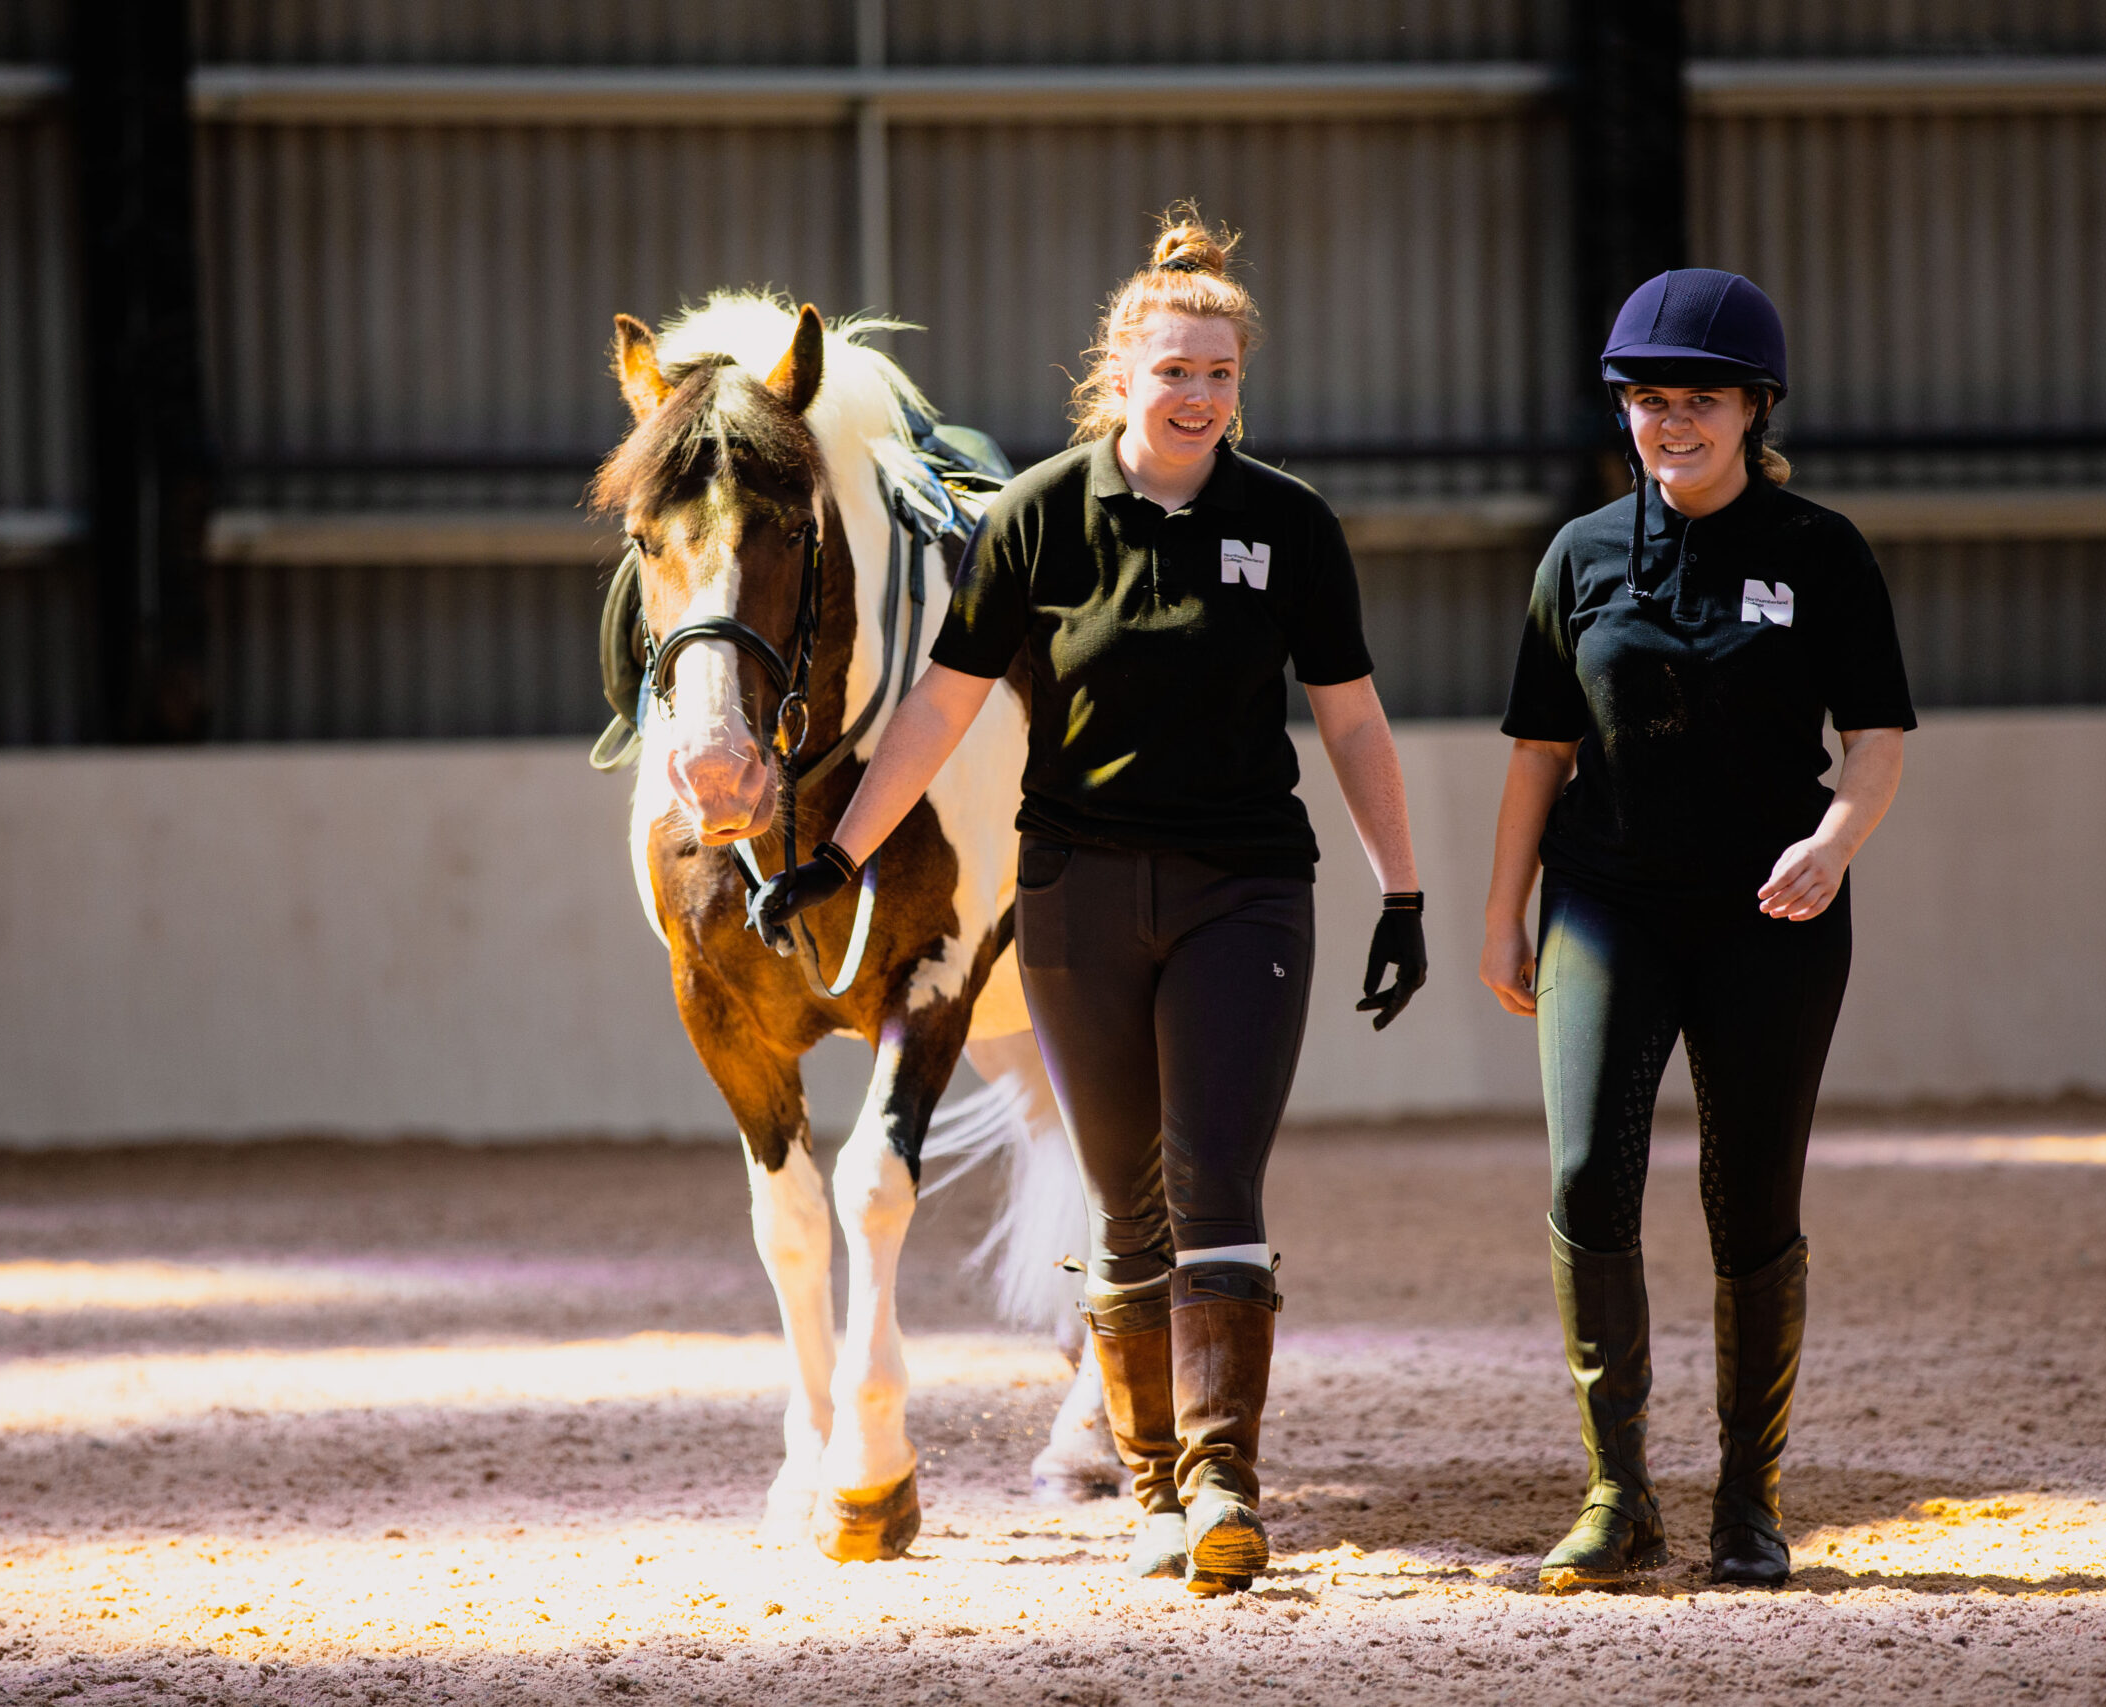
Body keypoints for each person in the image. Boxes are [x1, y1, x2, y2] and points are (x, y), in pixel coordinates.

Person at [749, 211, 1428, 1595]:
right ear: (1118, 374)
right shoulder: (1038, 514)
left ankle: (1228, 1481)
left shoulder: (1288, 526)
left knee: (1217, 1179)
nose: (1199, 396)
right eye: (1174, 369)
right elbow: (938, 709)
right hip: (1076, 892)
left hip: (1247, 890)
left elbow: (1352, 725)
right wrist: (844, 854)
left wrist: (1401, 885)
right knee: (1123, 1209)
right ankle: (1159, 1497)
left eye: (1222, 375)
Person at [1479, 269, 1914, 1592]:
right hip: (1605, 905)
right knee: (1582, 1181)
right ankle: (1620, 1493)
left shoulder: (1821, 552)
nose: (1672, 424)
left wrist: (1833, 846)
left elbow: (1880, 738)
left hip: (1769, 914)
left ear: (1752, 408)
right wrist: (1504, 912)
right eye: (1650, 400)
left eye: (1701, 401)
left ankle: (1748, 1500)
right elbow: (1539, 752)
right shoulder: (1580, 557)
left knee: (1751, 1196)